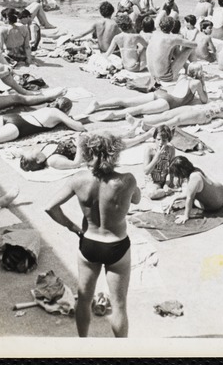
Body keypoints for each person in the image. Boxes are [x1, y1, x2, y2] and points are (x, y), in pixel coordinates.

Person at [45, 132, 140, 337]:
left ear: (88, 152)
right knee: (119, 305)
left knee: (84, 298)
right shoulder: (127, 180)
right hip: (117, 245)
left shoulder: (78, 179)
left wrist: (72, 227)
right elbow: (137, 200)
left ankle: (84, 346)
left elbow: (50, 207)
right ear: (115, 153)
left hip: (89, 243)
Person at [163, 156, 223, 223]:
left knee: (194, 202)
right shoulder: (196, 169)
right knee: (193, 195)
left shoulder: (194, 178)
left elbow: (189, 198)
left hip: (215, 205)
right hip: (221, 192)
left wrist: (186, 216)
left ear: (181, 172)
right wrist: (174, 199)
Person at [136, 96, 223, 131]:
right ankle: (140, 122)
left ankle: (152, 128)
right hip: (197, 108)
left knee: (177, 120)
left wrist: (218, 124)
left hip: (203, 115)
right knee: (167, 114)